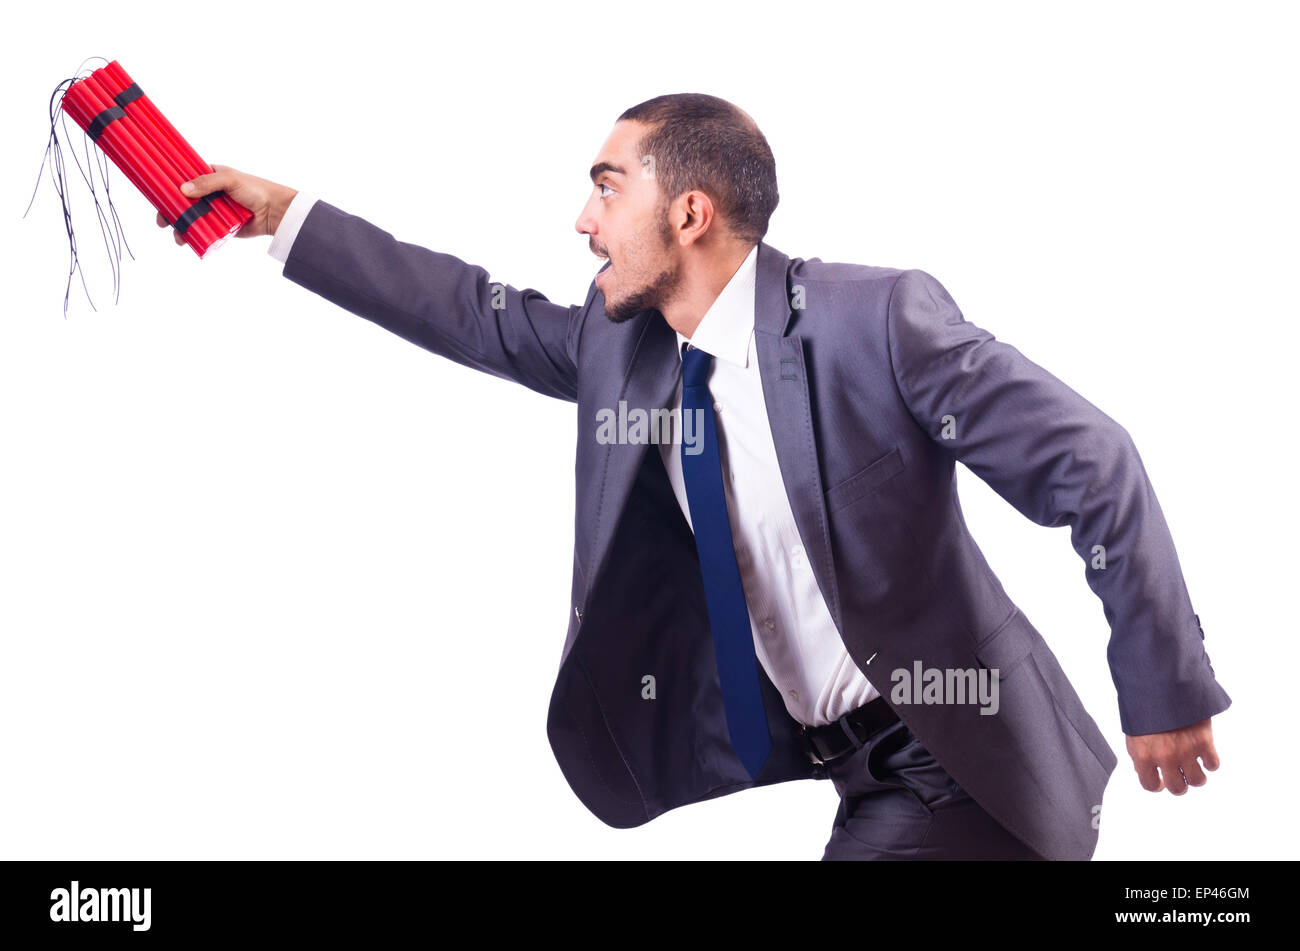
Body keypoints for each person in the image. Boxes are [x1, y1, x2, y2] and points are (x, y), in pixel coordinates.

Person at [160, 93, 1230, 860]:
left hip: (973, 766)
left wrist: (1163, 685)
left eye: (605, 187)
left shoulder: (876, 322)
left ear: (689, 213)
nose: (582, 221)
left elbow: (1092, 462)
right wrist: (282, 217)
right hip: (859, 777)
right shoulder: (624, 349)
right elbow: (466, 311)